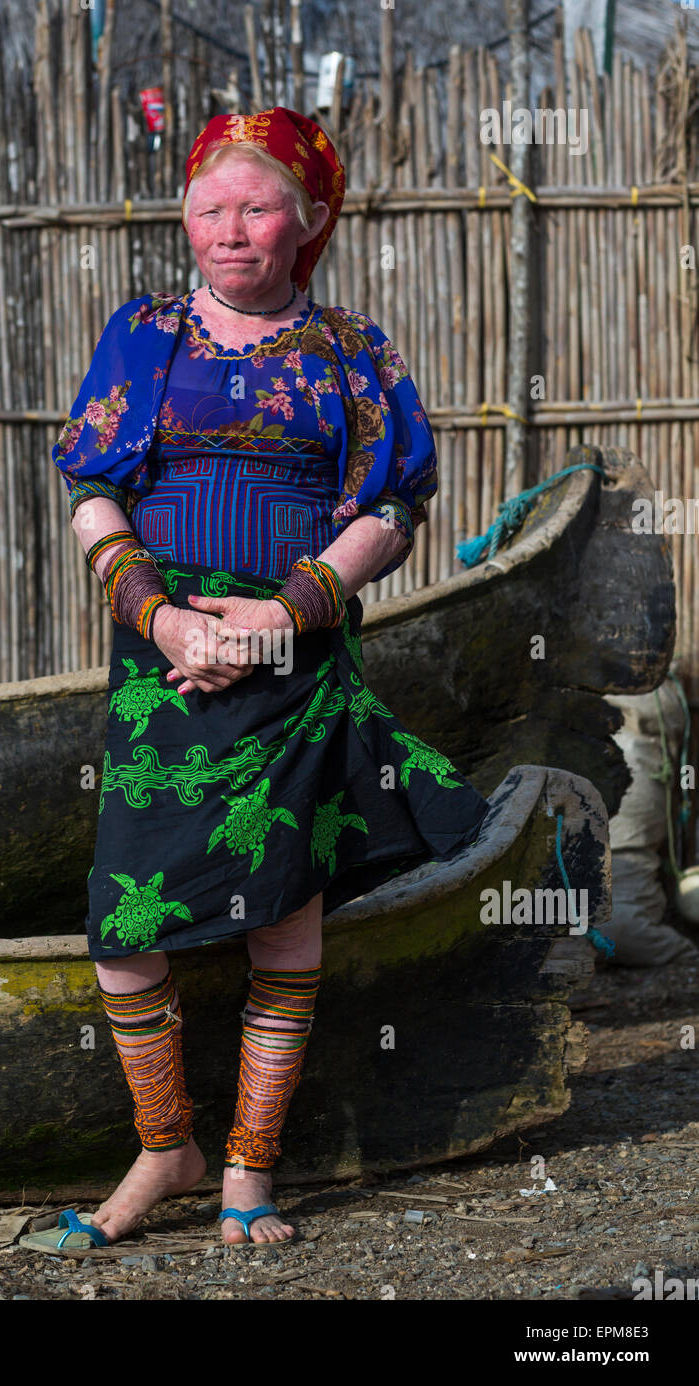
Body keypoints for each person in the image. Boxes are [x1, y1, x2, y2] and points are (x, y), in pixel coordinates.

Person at [36, 107, 491, 1252]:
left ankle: (248, 1168)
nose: (228, 231)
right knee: (123, 919)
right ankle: (166, 1143)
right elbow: (92, 488)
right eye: (208, 209)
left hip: (296, 662)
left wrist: (288, 614)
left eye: (255, 208)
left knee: (283, 922)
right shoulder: (145, 335)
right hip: (163, 659)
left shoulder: (351, 349)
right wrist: (157, 615)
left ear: (311, 218)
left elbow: (394, 507)